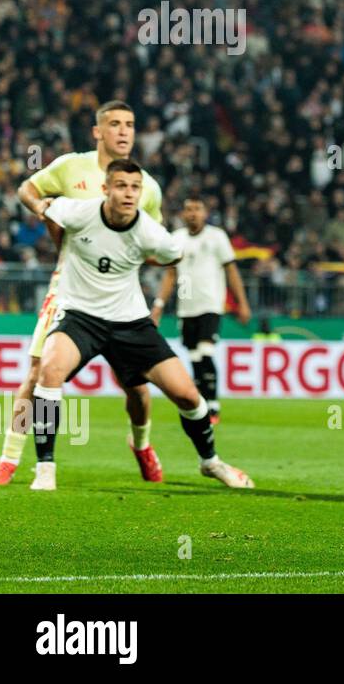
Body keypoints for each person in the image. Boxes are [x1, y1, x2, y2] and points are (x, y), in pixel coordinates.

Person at [27, 159, 253, 491]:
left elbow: (172, 256)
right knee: (49, 370)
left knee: (188, 395)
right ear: (105, 189)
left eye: (135, 187)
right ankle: (45, 468)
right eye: (121, 186)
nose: (129, 193)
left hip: (130, 322)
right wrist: (45, 214)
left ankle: (211, 462)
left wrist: (134, 260)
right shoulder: (78, 212)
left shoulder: (150, 233)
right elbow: (43, 208)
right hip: (80, 317)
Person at [0, 101, 166, 487]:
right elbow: (27, 187)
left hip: (121, 298)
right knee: (37, 375)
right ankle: (10, 457)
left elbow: (156, 244)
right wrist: (41, 207)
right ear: (97, 132)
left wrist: (156, 290)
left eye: (130, 125)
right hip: (68, 289)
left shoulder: (146, 186)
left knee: (136, 386)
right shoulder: (71, 166)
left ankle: (142, 445)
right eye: (115, 124)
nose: (124, 131)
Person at [151, 196, 252, 423]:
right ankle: (203, 404)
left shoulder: (216, 237)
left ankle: (213, 406)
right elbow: (170, 274)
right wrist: (158, 305)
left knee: (206, 352)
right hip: (186, 308)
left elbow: (232, 271)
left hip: (210, 305)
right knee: (195, 357)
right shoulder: (176, 239)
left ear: (205, 213)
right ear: (183, 214)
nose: (193, 213)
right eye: (188, 209)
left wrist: (242, 302)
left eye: (197, 209)